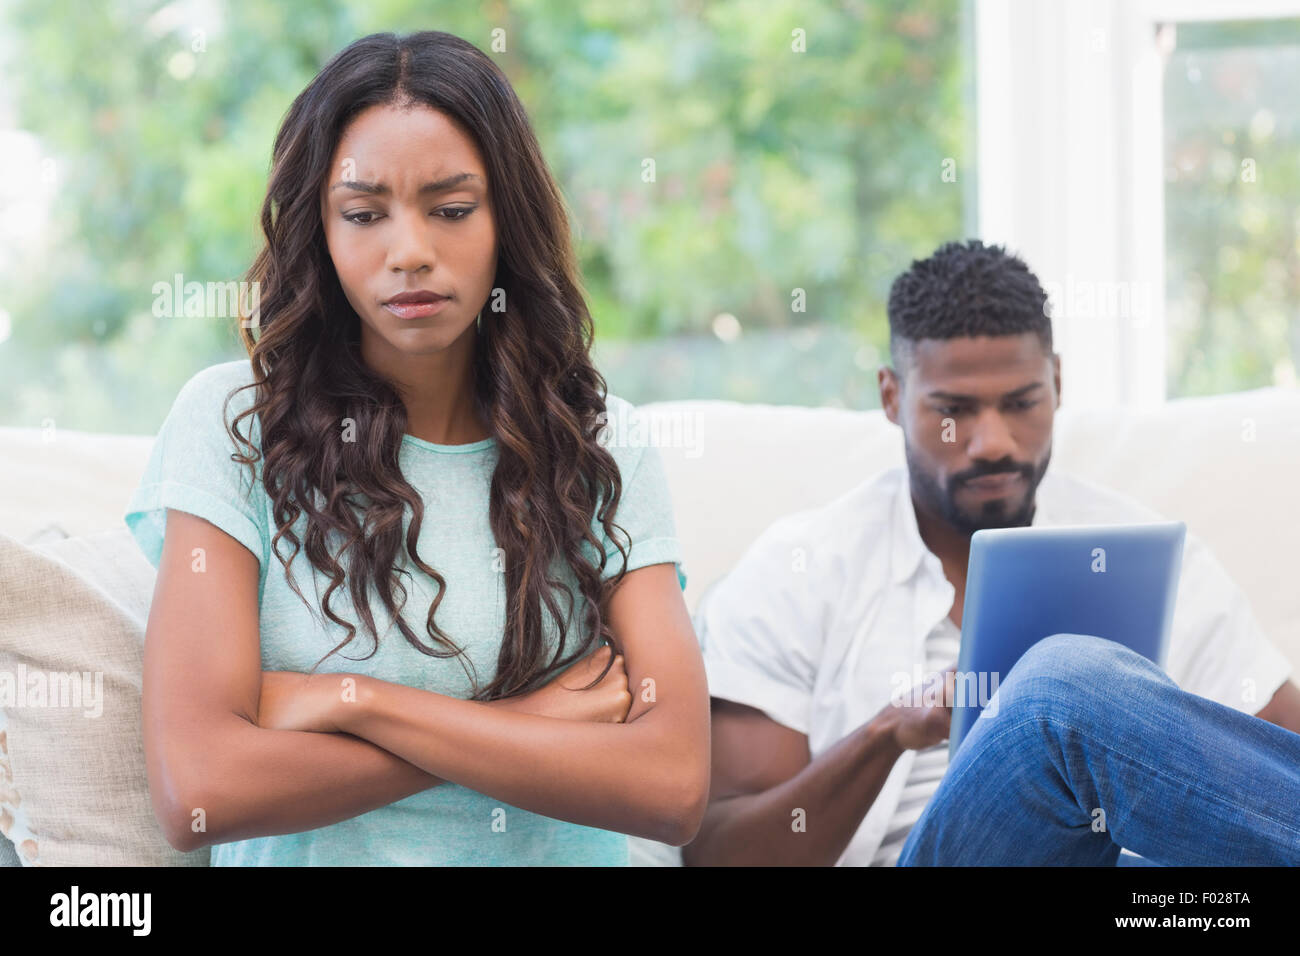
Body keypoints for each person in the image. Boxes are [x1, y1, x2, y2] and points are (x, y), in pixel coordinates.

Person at [124, 30, 708, 866]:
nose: (409, 252)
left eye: (452, 209)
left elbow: (674, 784)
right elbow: (201, 790)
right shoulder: (232, 424)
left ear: (508, 218)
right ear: (319, 232)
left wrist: (352, 702)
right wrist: (525, 728)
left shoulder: (601, 440)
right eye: (364, 214)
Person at [682, 239, 1300, 866]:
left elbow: (1274, 770)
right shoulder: (799, 571)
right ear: (892, 397)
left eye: (1021, 403)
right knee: (1059, 686)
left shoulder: (1144, 556)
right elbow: (724, 856)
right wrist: (885, 735)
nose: (992, 443)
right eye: (954, 411)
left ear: (1056, 382)